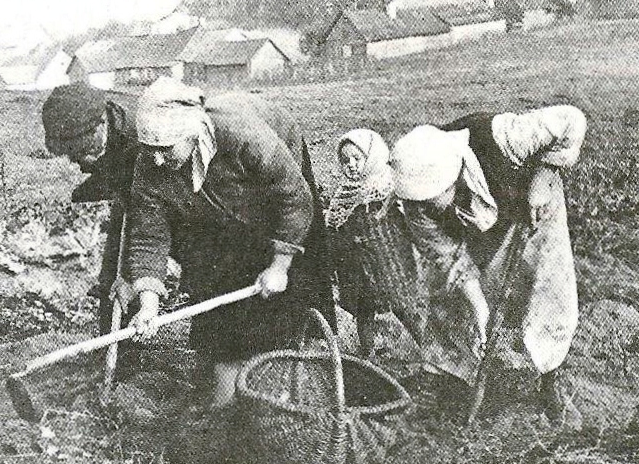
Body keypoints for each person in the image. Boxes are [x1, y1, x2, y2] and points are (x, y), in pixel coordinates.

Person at [120, 77, 332, 411]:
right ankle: (226, 383)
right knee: (218, 274)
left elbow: (293, 200)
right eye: (150, 151)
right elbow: (149, 234)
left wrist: (279, 266)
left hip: (277, 188)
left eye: (166, 150)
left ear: (192, 133)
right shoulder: (149, 166)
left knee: (290, 288)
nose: (158, 161)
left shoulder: (241, 134)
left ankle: (300, 368)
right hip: (216, 212)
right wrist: (148, 303)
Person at [388, 104, 588, 424]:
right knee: (447, 295)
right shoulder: (417, 206)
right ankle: (442, 377)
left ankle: (552, 379)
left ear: (451, 177)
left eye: (430, 199)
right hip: (474, 222)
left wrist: (545, 173)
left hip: (534, 207)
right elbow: (451, 259)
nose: (423, 209)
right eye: (418, 203)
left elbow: (571, 119)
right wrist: (479, 306)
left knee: (547, 289)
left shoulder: (502, 137)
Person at [40, 83, 138, 335]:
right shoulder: (100, 134)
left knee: (130, 270)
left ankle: (133, 343)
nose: (78, 160)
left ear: (100, 125)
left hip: (172, 200)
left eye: (82, 150)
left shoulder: (138, 139)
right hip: (126, 193)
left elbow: (146, 214)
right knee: (111, 278)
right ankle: (114, 341)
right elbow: (105, 172)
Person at [326, 128, 428, 359]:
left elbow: (408, 219)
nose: (351, 165)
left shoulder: (387, 187)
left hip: (388, 258)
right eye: (345, 161)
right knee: (363, 311)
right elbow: (334, 226)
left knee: (404, 305)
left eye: (357, 159)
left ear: (371, 158)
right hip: (356, 263)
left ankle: (431, 350)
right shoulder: (345, 194)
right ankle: (368, 353)